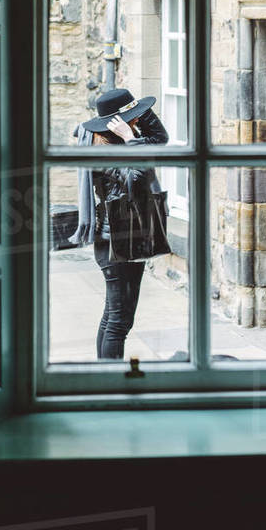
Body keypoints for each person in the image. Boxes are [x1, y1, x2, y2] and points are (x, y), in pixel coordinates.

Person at [70, 88, 169, 360]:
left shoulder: (110, 143)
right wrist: (130, 138)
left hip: (123, 237)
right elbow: (138, 175)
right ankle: (109, 381)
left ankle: (105, 376)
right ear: (117, 126)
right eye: (132, 118)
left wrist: (136, 109)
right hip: (118, 240)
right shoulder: (107, 151)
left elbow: (160, 139)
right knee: (119, 322)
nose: (137, 122)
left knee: (114, 318)